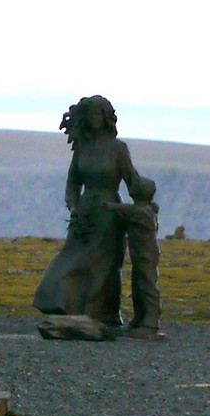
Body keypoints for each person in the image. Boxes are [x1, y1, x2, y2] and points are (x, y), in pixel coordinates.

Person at [33, 95, 141, 324]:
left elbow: (132, 180)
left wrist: (143, 203)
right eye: (90, 114)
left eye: (98, 114)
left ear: (106, 117)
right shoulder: (82, 147)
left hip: (110, 214)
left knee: (105, 267)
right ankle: (63, 305)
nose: (94, 118)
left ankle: (104, 316)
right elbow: (73, 181)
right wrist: (73, 205)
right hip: (84, 214)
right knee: (71, 260)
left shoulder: (118, 148)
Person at [104, 175, 164, 339]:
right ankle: (139, 320)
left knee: (147, 286)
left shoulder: (141, 211)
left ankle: (151, 323)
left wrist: (108, 205)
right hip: (141, 254)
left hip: (146, 255)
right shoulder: (146, 209)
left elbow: (124, 209)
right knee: (138, 286)